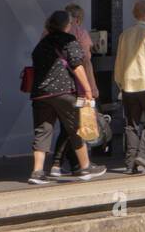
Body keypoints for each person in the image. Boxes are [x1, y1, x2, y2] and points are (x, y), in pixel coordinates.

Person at [28, 10, 106, 185]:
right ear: (66, 25)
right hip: (63, 92)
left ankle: (37, 172)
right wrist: (87, 89)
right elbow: (78, 65)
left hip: (40, 94)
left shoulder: (41, 44)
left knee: (42, 131)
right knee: (75, 127)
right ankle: (85, 167)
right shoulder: (69, 40)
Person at [113, 0, 145, 175]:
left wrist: (120, 83)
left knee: (131, 124)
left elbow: (119, 62)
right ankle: (143, 153)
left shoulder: (124, 35)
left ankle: (130, 163)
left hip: (128, 85)